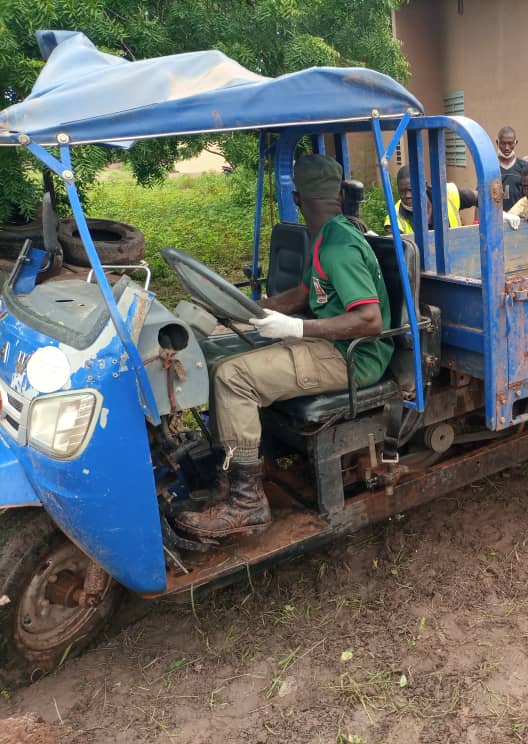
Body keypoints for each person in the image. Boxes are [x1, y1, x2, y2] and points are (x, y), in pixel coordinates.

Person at [175, 154, 393, 538]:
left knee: (233, 377)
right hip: (334, 346)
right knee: (217, 359)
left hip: (352, 356)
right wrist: (256, 308)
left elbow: (370, 321)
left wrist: (296, 328)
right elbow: (304, 294)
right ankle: (231, 475)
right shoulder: (326, 235)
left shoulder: (339, 246)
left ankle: (247, 504)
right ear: (338, 194)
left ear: (297, 197)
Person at [385, 164, 479, 234]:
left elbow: (481, 198)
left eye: (411, 190)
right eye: (402, 191)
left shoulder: (447, 194)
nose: (407, 195)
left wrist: (478, 225)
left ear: (424, 185)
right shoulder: (394, 219)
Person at [496, 126, 527, 212]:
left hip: (520, 218)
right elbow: (481, 196)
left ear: (516, 142)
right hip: (496, 220)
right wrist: (476, 221)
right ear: (497, 142)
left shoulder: (524, 167)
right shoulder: (490, 167)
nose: (507, 147)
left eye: (510, 143)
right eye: (503, 143)